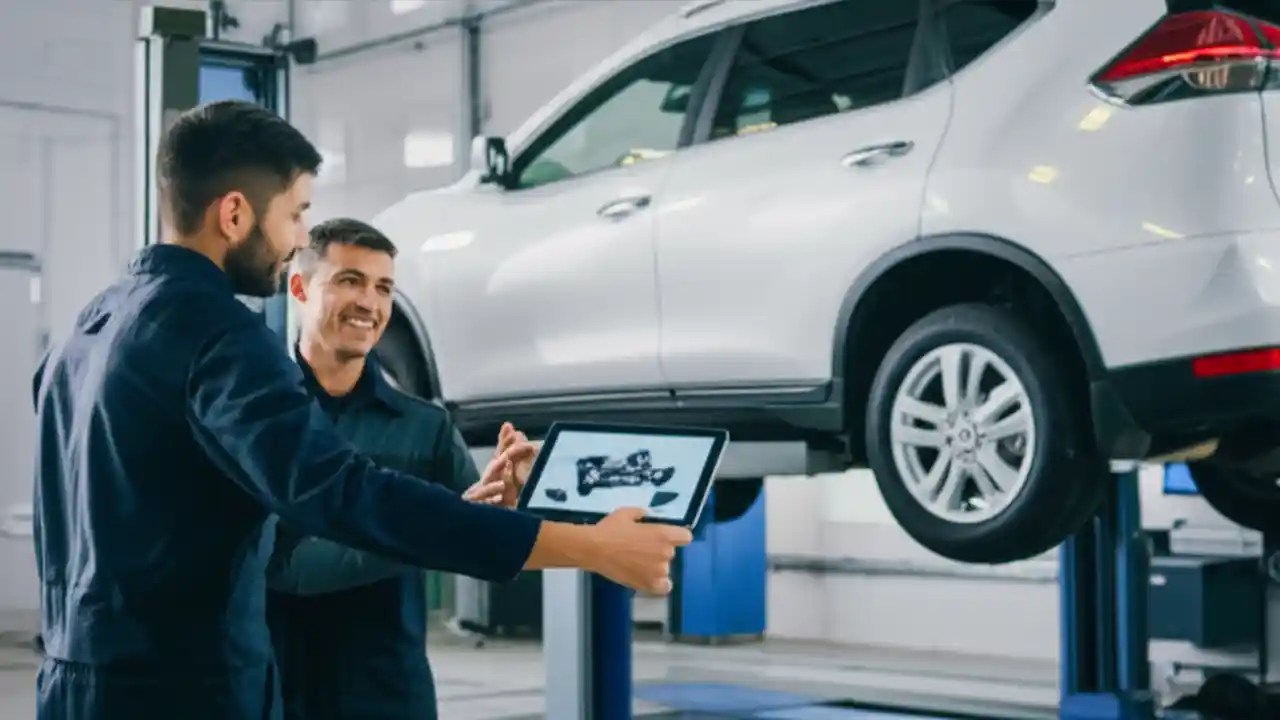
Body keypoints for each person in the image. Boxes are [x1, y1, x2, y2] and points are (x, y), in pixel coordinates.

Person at [30, 99, 692, 719]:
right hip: (183, 693)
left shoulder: (88, 331)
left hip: (74, 680)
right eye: (295, 214)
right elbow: (340, 494)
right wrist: (590, 547)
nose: (297, 236)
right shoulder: (220, 335)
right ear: (234, 214)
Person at [265, 217, 528, 719]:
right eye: (350, 281)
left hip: (389, 697)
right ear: (299, 288)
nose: (369, 302)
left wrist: (501, 509)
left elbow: (482, 552)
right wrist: (434, 529)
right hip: (273, 691)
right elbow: (284, 567)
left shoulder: (425, 427)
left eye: (383, 288)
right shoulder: (258, 418)